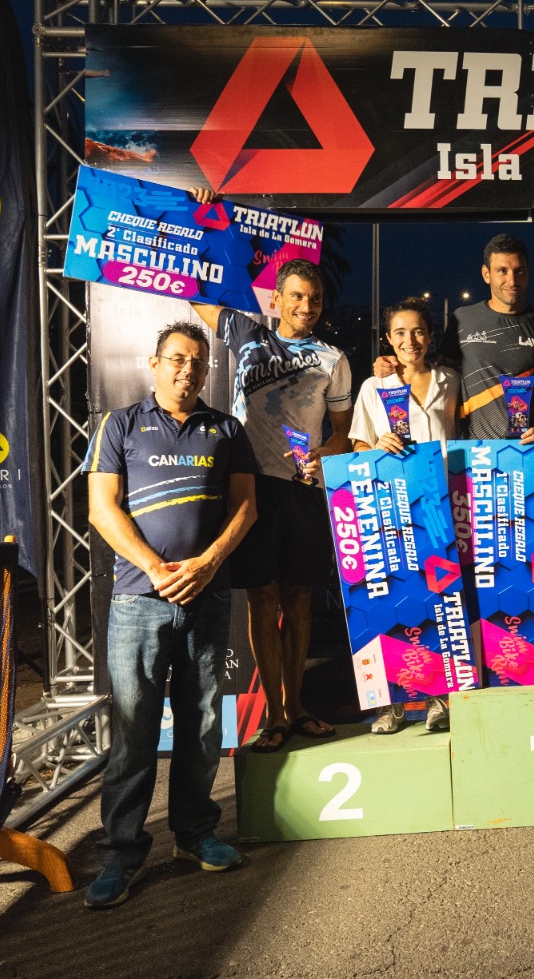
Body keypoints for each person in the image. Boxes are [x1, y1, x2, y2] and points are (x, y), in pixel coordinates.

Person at [83, 320, 257, 908]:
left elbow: (246, 509)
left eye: (199, 362)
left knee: (203, 725)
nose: (189, 369)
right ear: (154, 364)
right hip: (138, 598)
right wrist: (157, 569)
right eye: (178, 359)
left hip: (208, 597)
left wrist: (207, 563)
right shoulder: (119, 425)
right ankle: (121, 855)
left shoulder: (226, 429)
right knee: (133, 732)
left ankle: (195, 836)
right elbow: (101, 509)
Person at [190, 259, 352, 753]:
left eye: (316, 298)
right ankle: (276, 715)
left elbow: (343, 433)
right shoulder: (246, 332)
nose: (307, 306)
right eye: (298, 296)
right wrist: (205, 220)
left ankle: (297, 706)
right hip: (250, 485)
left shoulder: (333, 358)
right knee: (262, 597)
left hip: (303, 488)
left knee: (299, 598)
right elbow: (194, 294)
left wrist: (325, 455)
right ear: (276, 299)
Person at [350, 296, 458, 734]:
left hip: (439, 508)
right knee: (390, 604)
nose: (409, 340)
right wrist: (376, 445)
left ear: (430, 336)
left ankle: (439, 699)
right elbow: (357, 446)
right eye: (399, 333)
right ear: (387, 339)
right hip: (389, 508)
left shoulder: (450, 380)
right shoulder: (372, 387)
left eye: (417, 331)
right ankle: (390, 704)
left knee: (440, 603)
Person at [374, 234, 534, 441]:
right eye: (502, 271)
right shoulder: (463, 319)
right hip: (478, 454)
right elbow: (437, 374)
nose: (512, 280)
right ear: (486, 274)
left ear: (528, 273)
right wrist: (393, 364)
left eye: (519, 271)